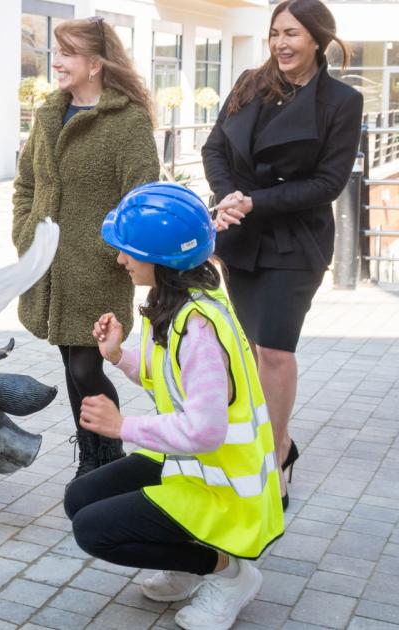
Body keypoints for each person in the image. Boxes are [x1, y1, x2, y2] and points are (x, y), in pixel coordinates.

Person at [66, 182, 284, 630]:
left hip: (223, 486)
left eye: (129, 251)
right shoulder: (173, 302)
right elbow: (166, 381)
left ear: (162, 259)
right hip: (194, 465)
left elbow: (205, 430)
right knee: (81, 498)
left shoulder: (199, 326)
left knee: (93, 529)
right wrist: (118, 355)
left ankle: (228, 575)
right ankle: (192, 565)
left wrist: (122, 426)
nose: (121, 259)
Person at [202, 0, 362, 510]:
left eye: (291, 33)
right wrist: (229, 197)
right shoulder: (250, 82)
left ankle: (276, 450)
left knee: (274, 349)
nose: (280, 44)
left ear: (318, 37)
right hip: (241, 236)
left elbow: (328, 183)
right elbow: (214, 150)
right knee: (247, 348)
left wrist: (253, 201)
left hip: (295, 240)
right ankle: (251, 440)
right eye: (274, 33)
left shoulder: (341, 100)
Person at [11, 16, 160, 477]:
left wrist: (114, 250)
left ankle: (106, 456)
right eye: (56, 53)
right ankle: (94, 460)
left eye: (67, 53)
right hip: (50, 268)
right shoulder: (47, 113)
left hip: (98, 268)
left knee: (85, 370)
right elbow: (26, 184)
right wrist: (24, 231)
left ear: (96, 63)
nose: (56, 62)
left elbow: (141, 194)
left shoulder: (128, 122)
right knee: (72, 365)